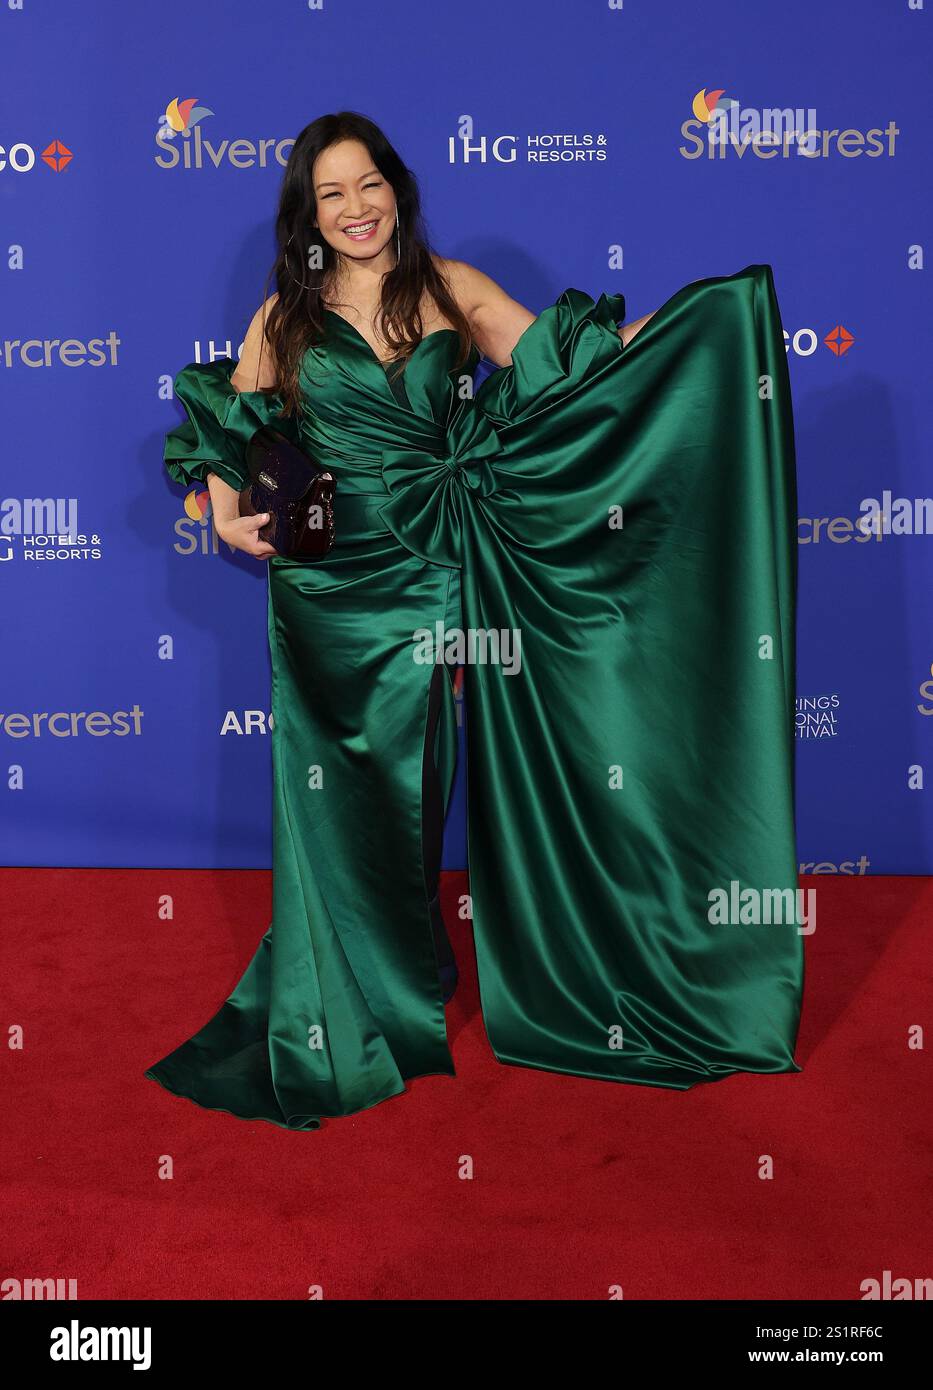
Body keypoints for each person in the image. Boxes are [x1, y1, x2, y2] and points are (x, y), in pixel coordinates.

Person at [146, 110, 804, 1131]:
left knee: (425, 789)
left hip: (448, 568)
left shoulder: (450, 287)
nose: (357, 208)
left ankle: (551, 977)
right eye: (333, 194)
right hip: (327, 591)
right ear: (307, 214)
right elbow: (230, 441)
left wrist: (700, 327)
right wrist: (233, 520)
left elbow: (571, 359)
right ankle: (345, 1008)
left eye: (370, 185)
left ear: (396, 190)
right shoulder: (281, 319)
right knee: (340, 800)